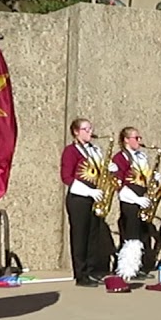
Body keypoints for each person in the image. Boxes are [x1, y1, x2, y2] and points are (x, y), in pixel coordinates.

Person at [59, 118, 110, 287]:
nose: (90, 132)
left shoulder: (95, 150)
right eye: (85, 129)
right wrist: (89, 191)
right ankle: (80, 275)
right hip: (78, 198)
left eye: (90, 129)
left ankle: (90, 270)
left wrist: (110, 170)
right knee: (80, 236)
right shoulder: (71, 151)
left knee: (92, 235)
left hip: (94, 198)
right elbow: (67, 177)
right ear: (76, 132)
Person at [110, 126, 156, 278]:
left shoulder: (141, 157)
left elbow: (144, 177)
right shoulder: (120, 158)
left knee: (142, 234)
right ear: (126, 140)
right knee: (131, 236)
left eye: (139, 137)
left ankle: (139, 266)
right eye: (136, 138)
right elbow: (120, 184)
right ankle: (127, 270)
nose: (139, 141)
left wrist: (154, 180)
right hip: (130, 200)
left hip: (142, 198)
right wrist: (136, 199)